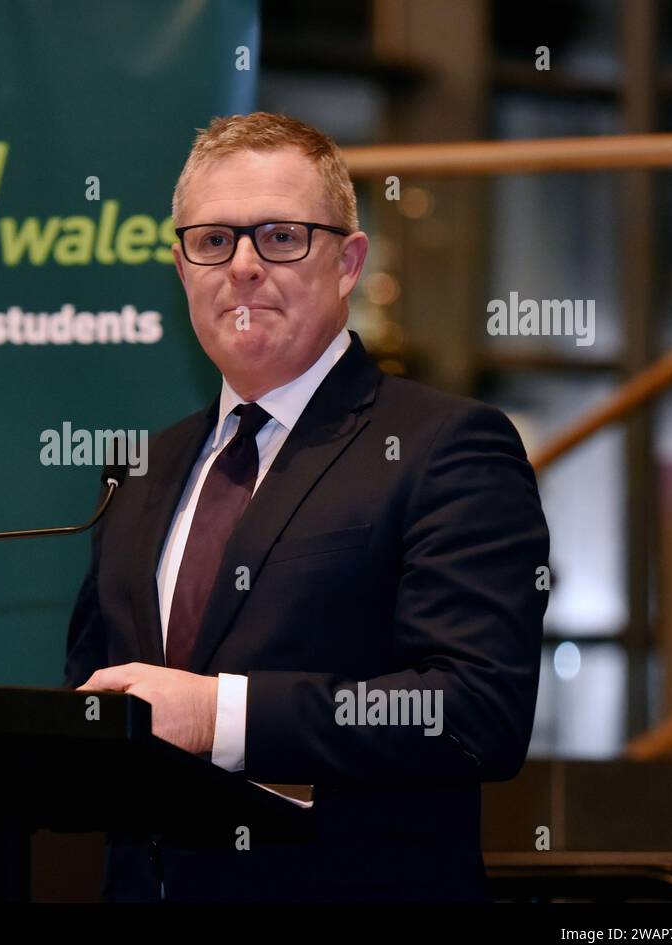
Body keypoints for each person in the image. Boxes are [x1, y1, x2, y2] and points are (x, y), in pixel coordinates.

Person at [64, 111, 550, 902]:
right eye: (214, 241)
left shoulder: (448, 447)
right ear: (182, 268)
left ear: (348, 262)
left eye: (282, 237)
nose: (245, 267)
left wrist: (218, 714)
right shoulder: (142, 469)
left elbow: (473, 712)